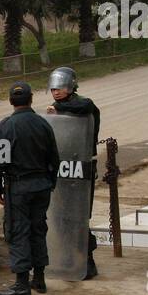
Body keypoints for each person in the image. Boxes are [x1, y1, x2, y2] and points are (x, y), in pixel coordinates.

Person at [0, 82, 59, 295]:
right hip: (41, 186)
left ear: (11, 101)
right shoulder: (43, 124)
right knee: (38, 230)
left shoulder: (7, 126)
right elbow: (54, 158)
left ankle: (21, 284)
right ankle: (39, 278)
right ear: (31, 99)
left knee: (18, 232)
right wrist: (50, 182)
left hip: (18, 187)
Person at [45, 65, 101, 279]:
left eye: (59, 88)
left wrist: (59, 111)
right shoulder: (55, 108)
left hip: (81, 170)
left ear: (70, 87)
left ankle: (87, 261)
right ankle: (67, 258)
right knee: (60, 216)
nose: (55, 92)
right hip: (62, 169)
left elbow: (85, 106)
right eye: (53, 89)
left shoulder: (84, 106)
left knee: (79, 217)